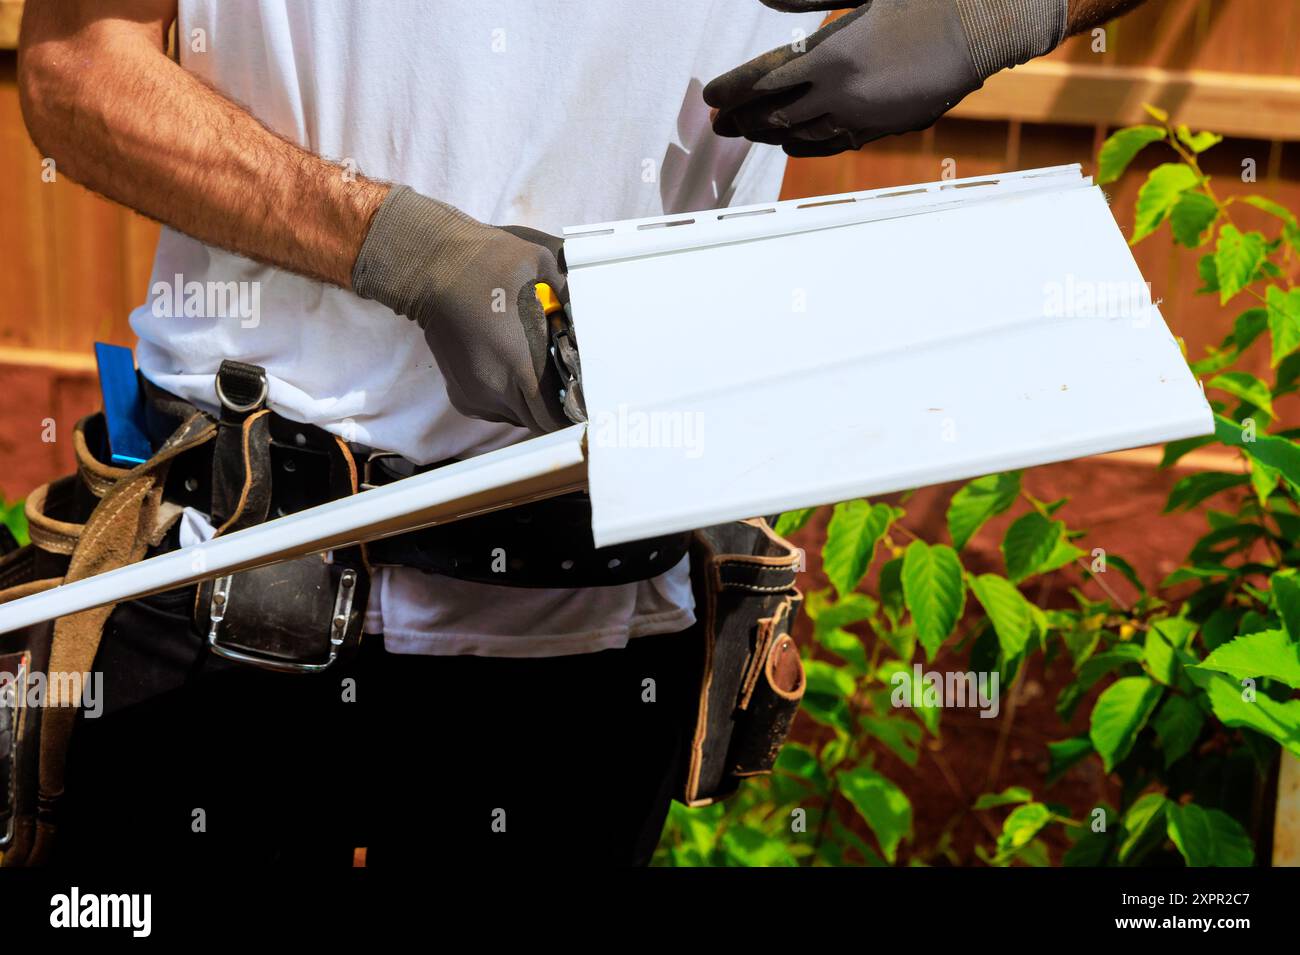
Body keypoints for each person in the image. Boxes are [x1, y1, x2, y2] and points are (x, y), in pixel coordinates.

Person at [14, 0, 1147, 867]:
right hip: (229, 572)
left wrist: (992, 15)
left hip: (599, 621)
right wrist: (401, 250)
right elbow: (78, 68)